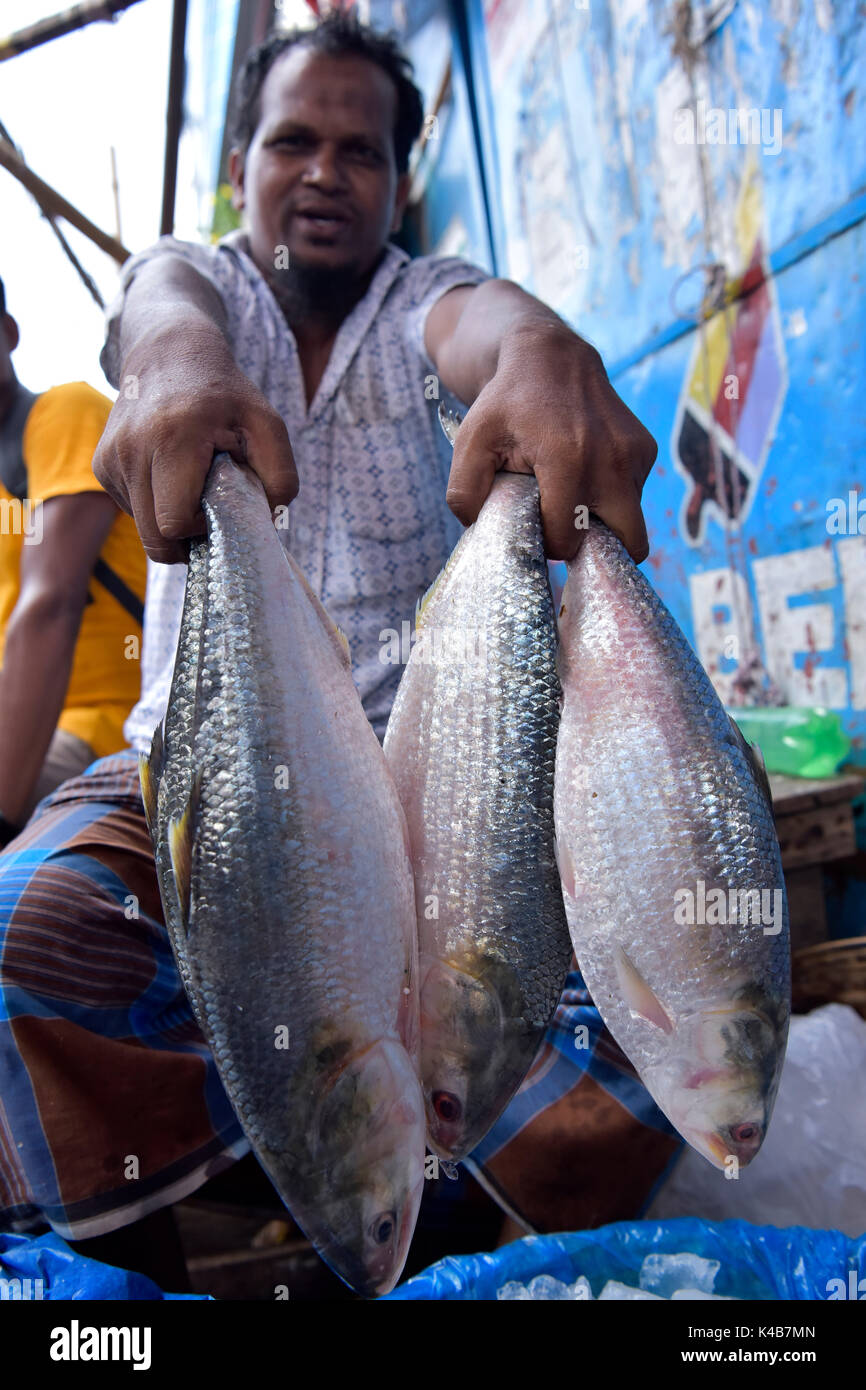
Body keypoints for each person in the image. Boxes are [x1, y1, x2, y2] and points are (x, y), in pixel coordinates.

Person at [0, 14, 681, 1289]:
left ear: (398, 181)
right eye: (291, 143)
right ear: (242, 166)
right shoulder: (200, 286)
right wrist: (175, 359)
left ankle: (397, 1244)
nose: (323, 173)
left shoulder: (426, 301)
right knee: (19, 934)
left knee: (669, 993)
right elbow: (156, 298)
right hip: (192, 771)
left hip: (445, 775)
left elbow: (486, 323)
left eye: (359, 152)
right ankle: (144, 1290)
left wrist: (539, 349)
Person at [0, 276, 146, 841]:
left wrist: (3, 816)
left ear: (8, 332)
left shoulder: (64, 412)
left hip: (104, 727)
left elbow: (50, 604)